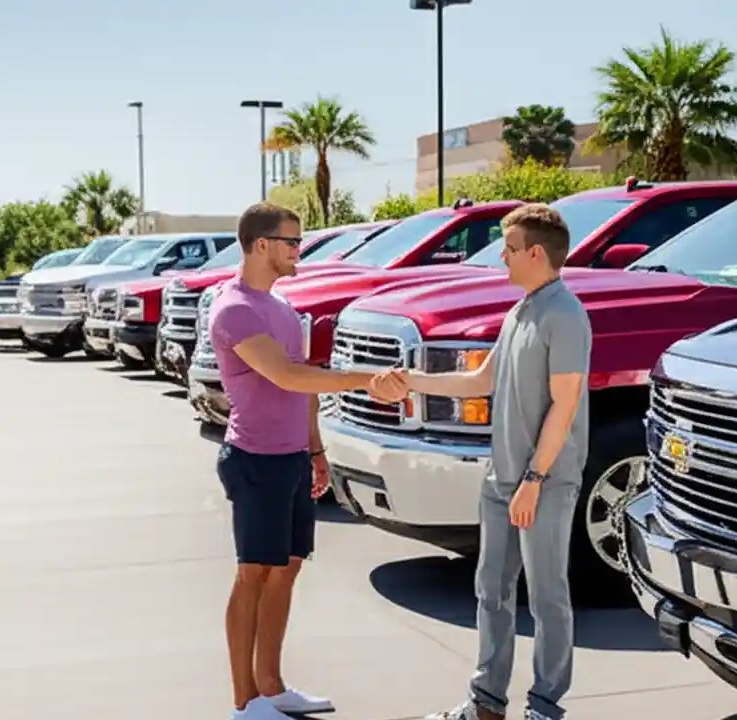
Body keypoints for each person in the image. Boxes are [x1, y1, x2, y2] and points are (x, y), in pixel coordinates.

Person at [373, 203, 592, 720]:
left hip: (544, 483)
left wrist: (535, 480)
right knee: (491, 591)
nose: (502, 256)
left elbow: (566, 405)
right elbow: (479, 381)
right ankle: (486, 704)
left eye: (511, 248)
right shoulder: (520, 311)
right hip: (501, 479)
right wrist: (410, 381)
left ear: (537, 253)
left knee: (547, 599)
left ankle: (544, 707)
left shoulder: (565, 315)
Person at [208, 202, 385, 720]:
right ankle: (245, 702)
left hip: (290, 459)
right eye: (291, 242)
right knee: (253, 575)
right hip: (253, 460)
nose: (298, 251)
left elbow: (303, 386)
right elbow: (287, 376)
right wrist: (365, 380)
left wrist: (316, 450)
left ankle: (272, 685)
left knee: (285, 571)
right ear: (261, 245)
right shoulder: (234, 309)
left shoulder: (283, 309)